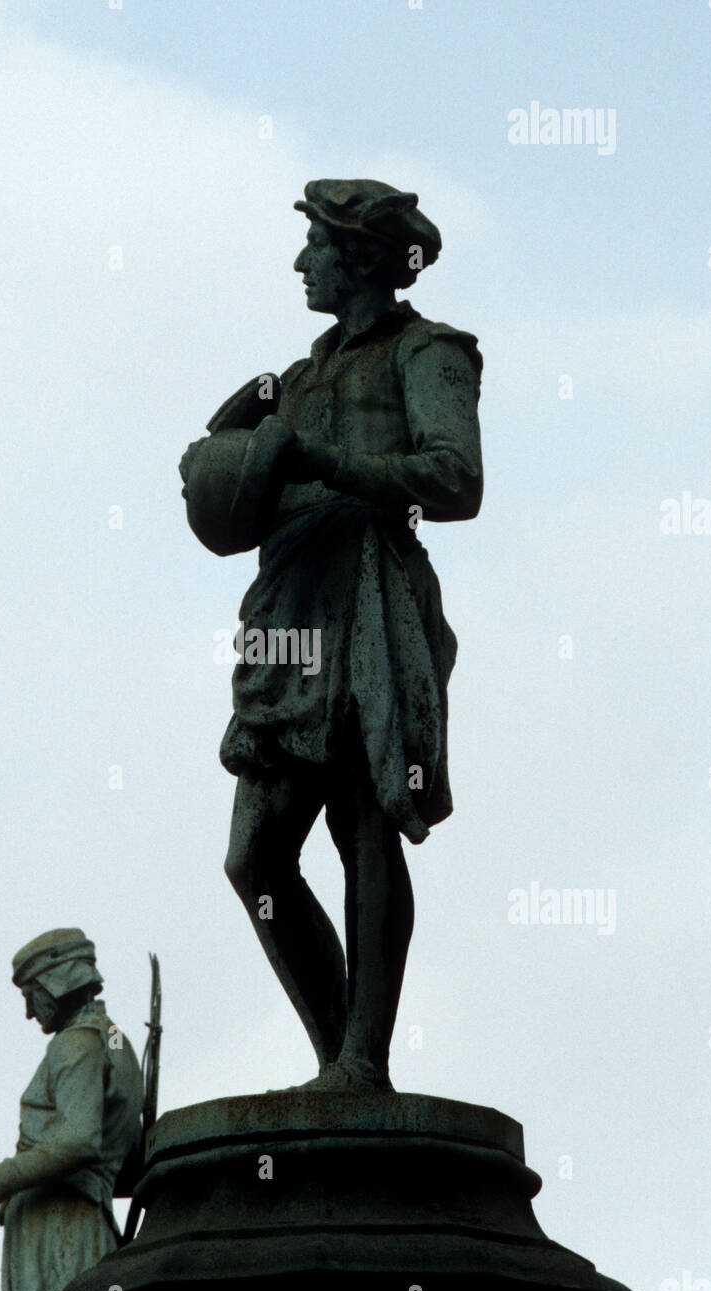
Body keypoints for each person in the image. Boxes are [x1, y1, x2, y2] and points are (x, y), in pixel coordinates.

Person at [189, 179, 483, 1091]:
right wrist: (225, 449)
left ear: (355, 257)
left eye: (313, 244)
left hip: (370, 589)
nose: (299, 261)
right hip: (289, 609)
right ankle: (334, 1057)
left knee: (364, 821)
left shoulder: (426, 351)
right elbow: (229, 501)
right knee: (256, 856)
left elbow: (455, 479)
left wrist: (321, 461)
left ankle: (363, 1061)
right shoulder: (300, 376)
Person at [0, 929, 143, 1291]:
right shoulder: (113, 1041)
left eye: (31, 995)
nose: (30, 1012)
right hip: (84, 1225)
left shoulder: (76, 1042)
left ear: (57, 984)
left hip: (57, 1230)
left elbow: (80, 1141)